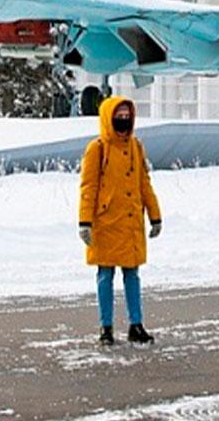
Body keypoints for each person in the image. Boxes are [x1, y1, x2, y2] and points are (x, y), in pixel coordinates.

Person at [78, 95, 163, 346]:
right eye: (119, 116)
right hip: (105, 222)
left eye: (127, 116)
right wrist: (85, 222)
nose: (123, 120)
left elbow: (144, 184)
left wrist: (154, 214)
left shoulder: (136, 147)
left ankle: (136, 324)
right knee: (105, 274)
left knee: (132, 274)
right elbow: (88, 187)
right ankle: (106, 327)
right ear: (108, 118)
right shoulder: (98, 148)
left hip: (129, 221)